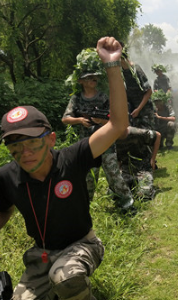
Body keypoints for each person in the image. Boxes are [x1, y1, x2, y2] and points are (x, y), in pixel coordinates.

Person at [0, 37, 129, 300]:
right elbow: (2, 210)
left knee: (65, 278)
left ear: (51, 139)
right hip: (42, 255)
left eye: (33, 142)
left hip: (83, 245)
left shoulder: (74, 157)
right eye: (16, 146)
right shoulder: (6, 176)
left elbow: (118, 125)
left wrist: (112, 65)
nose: (25, 152)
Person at [62, 49, 134, 210]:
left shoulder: (102, 97)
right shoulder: (76, 99)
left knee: (113, 174)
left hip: (106, 141)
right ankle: (83, 207)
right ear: (81, 81)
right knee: (88, 176)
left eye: (95, 77)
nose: (93, 79)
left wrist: (103, 121)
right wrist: (80, 120)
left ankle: (127, 203)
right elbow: (65, 119)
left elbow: (116, 117)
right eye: (89, 78)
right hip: (87, 144)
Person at [115, 126, 161, 201]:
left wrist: (153, 159)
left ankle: (147, 188)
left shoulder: (136, 133)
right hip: (126, 168)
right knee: (115, 195)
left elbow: (157, 135)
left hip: (143, 168)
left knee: (143, 195)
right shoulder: (110, 138)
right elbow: (117, 157)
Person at [119, 41, 154, 130]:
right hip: (131, 110)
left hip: (144, 110)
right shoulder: (120, 72)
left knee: (147, 136)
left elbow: (149, 91)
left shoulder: (136, 69)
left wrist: (138, 109)